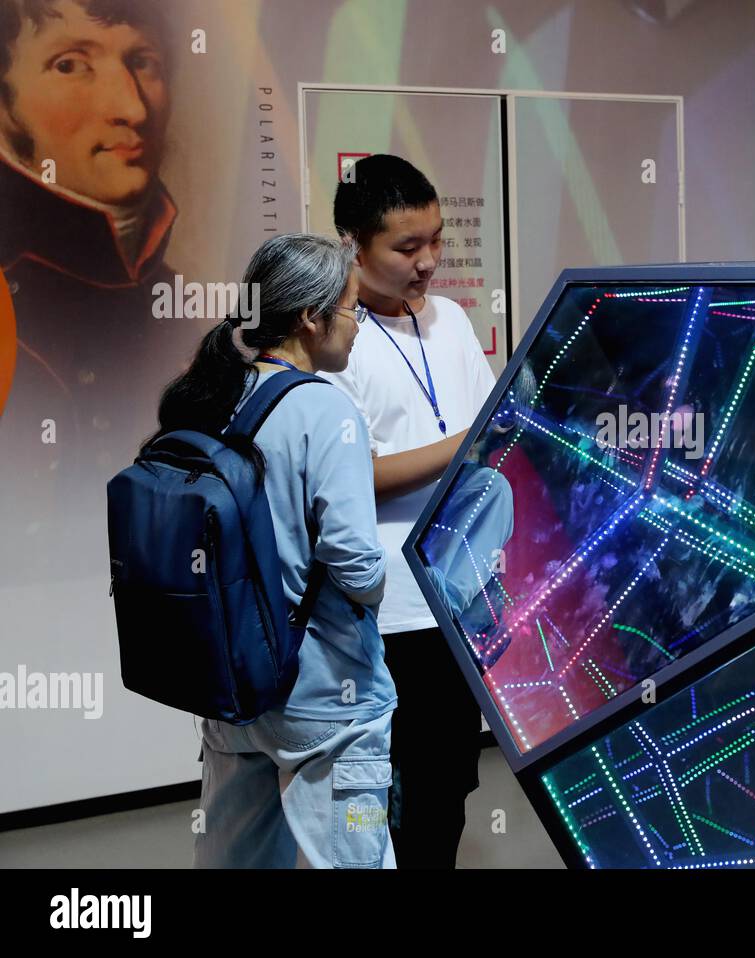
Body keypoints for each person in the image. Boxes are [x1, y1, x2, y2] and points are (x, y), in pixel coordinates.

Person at [148, 232, 395, 869]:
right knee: (354, 860)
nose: (358, 326)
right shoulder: (325, 410)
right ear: (311, 318)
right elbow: (355, 562)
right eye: (352, 309)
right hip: (327, 695)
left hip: (233, 686)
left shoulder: (210, 396)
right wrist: (384, 584)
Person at [325, 154, 496, 869]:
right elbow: (345, 478)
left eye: (436, 240)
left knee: (451, 781)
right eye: (406, 247)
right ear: (353, 245)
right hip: (384, 608)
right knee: (380, 792)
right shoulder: (334, 341)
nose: (429, 263)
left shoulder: (452, 320)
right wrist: (462, 447)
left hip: (461, 600)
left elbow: (490, 427)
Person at [0, 0, 179, 587]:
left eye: (143, 61)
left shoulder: (197, 311)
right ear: (5, 104)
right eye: (72, 65)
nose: (130, 108)